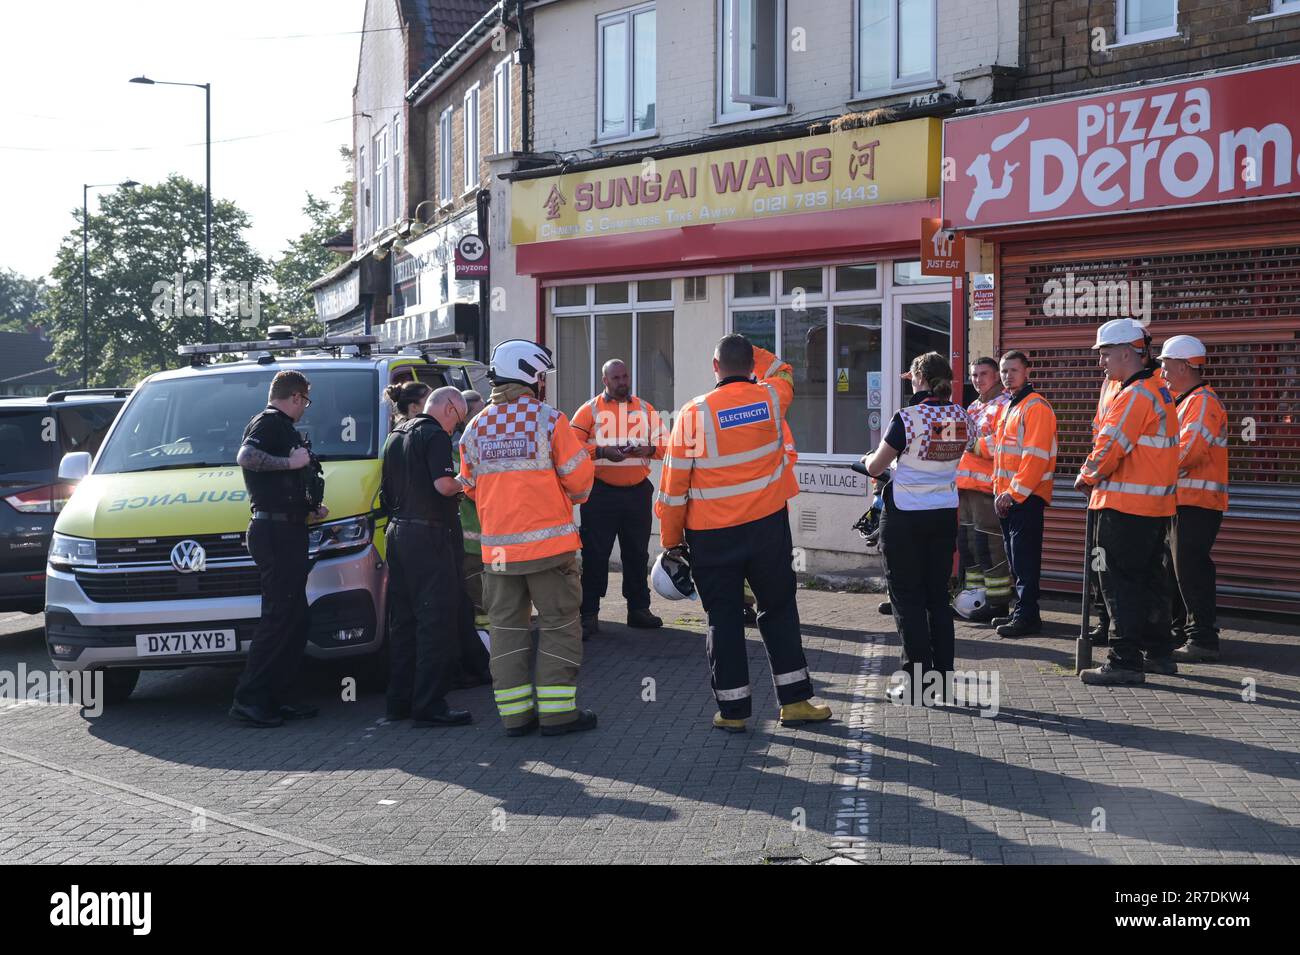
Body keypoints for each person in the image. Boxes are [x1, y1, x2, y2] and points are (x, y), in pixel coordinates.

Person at [656, 333, 831, 733]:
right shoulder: (771, 398)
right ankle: (797, 701)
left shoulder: (692, 413)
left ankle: (734, 712)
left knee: (724, 617)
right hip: (767, 527)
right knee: (779, 609)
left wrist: (671, 542)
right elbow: (783, 369)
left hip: (712, 535)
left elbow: (673, 487)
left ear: (714, 367)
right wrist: (756, 354)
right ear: (751, 366)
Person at [459, 340, 598, 737]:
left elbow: (468, 485)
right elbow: (579, 477)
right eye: (540, 376)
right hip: (548, 551)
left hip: (497, 554)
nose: (543, 384)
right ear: (527, 376)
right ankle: (557, 716)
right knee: (558, 626)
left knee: (506, 632)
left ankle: (515, 717)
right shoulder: (550, 421)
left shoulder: (475, 427)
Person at [1076, 319, 1179, 685]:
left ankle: (1124, 660)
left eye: (1104, 354)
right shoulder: (1157, 389)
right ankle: (1159, 653)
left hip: (1124, 506)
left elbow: (1110, 445)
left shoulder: (1134, 394)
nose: (1101, 362)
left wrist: (1086, 476)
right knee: (1151, 580)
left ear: (1125, 352)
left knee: (1118, 583)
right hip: (1152, 508)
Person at [862, 353, 970, 704]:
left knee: (907, 599)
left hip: (906, 516)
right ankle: (943, 681)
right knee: (937, 598)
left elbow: (877, 464)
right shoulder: (962, 415)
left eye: (911, 378)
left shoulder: (907, 418)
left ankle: (917, 682)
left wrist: (864, 461)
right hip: (943, 513)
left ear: (919, 378)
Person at [230, 370, 328, 728]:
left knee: (295, 617)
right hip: (274, 531)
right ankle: (250, 699)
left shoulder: (281, 426)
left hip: (287, 526)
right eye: (305, 401)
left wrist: (308, 508)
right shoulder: (269, 422)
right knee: (277, 616)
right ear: (297, 397)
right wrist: (291, 462)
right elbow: (246, 457)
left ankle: (279, 696)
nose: (305, 409)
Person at [381, 386, 481, 727]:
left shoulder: (395, 434)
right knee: (435, 622)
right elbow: (443, 485)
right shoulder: (435, 436)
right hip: (429, 536)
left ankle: (399, 701)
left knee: (404, 621)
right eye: (458, 422)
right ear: (450, 409)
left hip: (397, 534)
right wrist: (468, 480)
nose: (454, 431)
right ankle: (429, 705)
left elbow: (386, 492)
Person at [570, 359, 668, 638]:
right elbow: (570, 444)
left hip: (637, 492)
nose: (622, 381)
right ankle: (589, 614)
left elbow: (667, 445)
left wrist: (647, 449)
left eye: (625, 376)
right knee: (595, 555)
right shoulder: (589, 410)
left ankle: (638, 610)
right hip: (601, 494)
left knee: (637, 554)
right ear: (605, 381)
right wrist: (601, 452)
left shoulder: (645, 409)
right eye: (616, 377)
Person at [1159, 335, 1229, 663]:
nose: (1162, 370)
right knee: (1177, 569)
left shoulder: (1202, 403)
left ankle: (1202, 639)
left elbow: (1188, 451)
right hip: (1181, 500)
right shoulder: (1185, 401)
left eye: (1166, 364)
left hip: (1197, 501)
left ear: (1185, 366)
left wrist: (1150, 466)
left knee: (1191, 569)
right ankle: (1181, 632)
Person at [991, 351, 1057, 638]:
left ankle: (1027, 616)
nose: (1008, 375)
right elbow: (1002, 456)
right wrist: (1000, 492)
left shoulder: (1035, 407)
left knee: (1025, 560)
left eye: (1013, 370)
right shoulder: (1011, 406)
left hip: (1025, 497)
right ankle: (1023, 612)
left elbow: (1035, 457)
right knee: (1016, 560)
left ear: (1027, 372)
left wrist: (1012, 494)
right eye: (1004, 371)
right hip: (1010, 498)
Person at [953, 357, 1012, 623]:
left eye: (984, 374)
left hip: (988, 488)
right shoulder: (974, 406)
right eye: (974, 375)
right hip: (965, 487)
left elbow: (1003, 440)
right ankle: (973, 596)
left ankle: (998, 601)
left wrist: (972, 445)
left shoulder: (1006, 404)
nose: (978, 379)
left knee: (989, 545)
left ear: (996, 376)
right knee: (968, 545)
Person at [457, 388, 489, 625]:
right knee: (478, 598)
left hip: (489, 538)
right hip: (473, 540)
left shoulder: (480, 439)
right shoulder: (460, 445)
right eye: (480, 411)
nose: (486, 414)